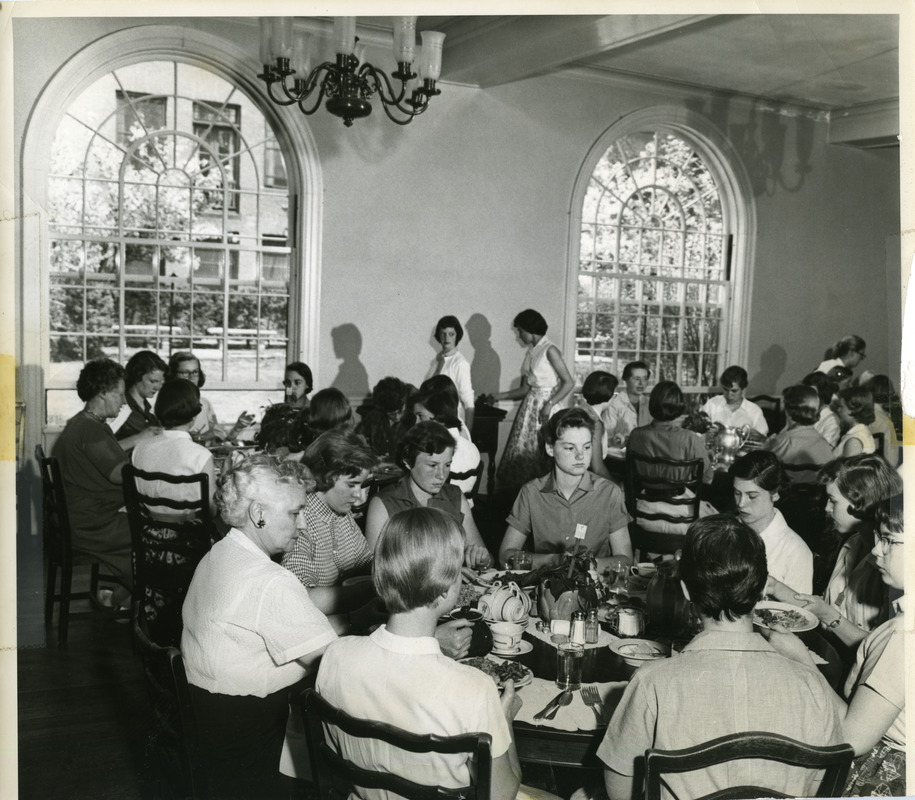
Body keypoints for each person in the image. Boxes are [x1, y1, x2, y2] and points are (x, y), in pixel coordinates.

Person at [588, 515, 844, 800]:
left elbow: (620, 790)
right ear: (761, 589)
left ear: (686, 590)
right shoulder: (813, 686)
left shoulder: (652, 683)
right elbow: (820, 785)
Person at [316, 507, 562, 800]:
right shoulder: (474, 689)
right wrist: (503, 717)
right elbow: (501, 794)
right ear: (445, 591)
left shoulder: (334, 656)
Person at [180, 454, 338, 799]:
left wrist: (354, 614)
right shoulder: (269, 581)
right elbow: (336, 662)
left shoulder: (220, 553)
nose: (304, 525)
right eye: (295, 513)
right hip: (254, 741)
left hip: (211, 721)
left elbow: (287, 619)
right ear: (259, 514)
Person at [764, 495, 905, 797]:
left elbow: (851, 738)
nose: (877, 551)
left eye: (890, 541)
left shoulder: (903, 634)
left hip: (882, 775)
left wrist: (802, 661)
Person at [767, 454, 901, 641]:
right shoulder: (851, 544)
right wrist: (774, 586)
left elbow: (879, 650)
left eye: (833, 500)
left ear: (860, 501)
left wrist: (829, 617)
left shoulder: (893, 566)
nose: (826, 508)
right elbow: (823, 607)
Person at [499, 408, 632, 570]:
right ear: (550, 448)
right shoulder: (531, 493)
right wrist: (552, 561)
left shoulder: (609, 493)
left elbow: (625, 560)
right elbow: (505, 557)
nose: (580, 456)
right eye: (570, 448)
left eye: (587, 447)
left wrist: (588, 565)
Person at [52, 358, 138, 608]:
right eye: (120, 395)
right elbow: (119, 474)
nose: (123, 402)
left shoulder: (82, 423)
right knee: (152, 535)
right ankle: (144, 601)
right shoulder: (90, 429)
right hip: (92, 525)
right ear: (103, 393)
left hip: (81, 519)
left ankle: (124, 599)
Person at [365, 421, 493, 570]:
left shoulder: (455, 497)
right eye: (432, 465)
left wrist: (482, 559)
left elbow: (488, 561)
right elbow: (374, 570)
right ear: (408, 463)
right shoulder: (383, 503)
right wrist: (447, 575)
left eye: (447, 465)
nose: (441, 475)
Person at [487, 309, 575, 494]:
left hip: (546, 408)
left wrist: (549, 405)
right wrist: (498, 396)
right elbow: (525, 390)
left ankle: (544, 499)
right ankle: (525, 500)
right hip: (530, 407)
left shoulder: (550, 350)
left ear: (529, 328)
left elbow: (569, 382)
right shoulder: (533, 352)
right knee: (523, 456)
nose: (518, 334)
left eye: (520, 330)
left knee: (542, 455)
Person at [131, 378, 216, 518]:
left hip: (148, 534)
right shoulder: (201, 455)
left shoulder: (139, 448)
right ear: (194, 414)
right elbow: (212, 511)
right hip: (189, 536)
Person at [730, 451, 812, 594]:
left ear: (775, 494)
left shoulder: (796, 552)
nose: (741, 504)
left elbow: (800, 613)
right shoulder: (725, 531)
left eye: (752, 496)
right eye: (737, 493)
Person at [167, 351, 254, 443]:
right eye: (185, 373)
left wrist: (237, 428)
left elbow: (219, 437)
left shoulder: (204, 404)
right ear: (173, 375)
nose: (191, 377)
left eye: (195, 372)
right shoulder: (165, 404)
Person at [412, 389, 482, 497]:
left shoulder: (438, 449)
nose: (416, 423)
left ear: (437, 414)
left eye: (420, 416)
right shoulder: (472, 447)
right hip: (467, 507)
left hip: (441, 507)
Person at [764, 385, 834, 483]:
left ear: (788, 409)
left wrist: (766, 446)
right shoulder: (824, 443)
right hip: (818, 496)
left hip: (786, 496)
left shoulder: (783, 441)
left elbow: (763, 467)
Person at [427, 314, 475, 429]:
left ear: (457, 336)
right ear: (438, 335)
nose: (447, 338)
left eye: (451, 334)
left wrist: (468, 436)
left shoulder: (460, 363)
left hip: (452, 422)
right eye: (443, 334)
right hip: (435, 419)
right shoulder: (437, 360)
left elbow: (469, 404)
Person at [113, 349, 167, 448]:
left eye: (161, 382)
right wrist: (137, 439)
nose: (158, 387)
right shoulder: (120, 408)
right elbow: (103, 451)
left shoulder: (149, 411)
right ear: (137, 376)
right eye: (152, 381)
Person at [700, 365, 768, 435]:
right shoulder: (712, 404)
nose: (729, 395)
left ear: (743, 388)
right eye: (725, 390)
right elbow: (699, 431)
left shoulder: (754, 411)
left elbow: (762, 438)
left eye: (734, 391)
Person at [354, 376, 409, 459]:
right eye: (391, 413)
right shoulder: (374, 416)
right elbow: (358, 437)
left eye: (400, 411)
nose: (397, 416)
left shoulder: (412, 419)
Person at [603, 360, 652, 446]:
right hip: (618, 455)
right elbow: (605, 438)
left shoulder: (649, 403)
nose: (641, 383)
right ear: (626, 379)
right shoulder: (614, 404)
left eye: (645, 379)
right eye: (637, 379)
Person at [579, 370, 618, 459]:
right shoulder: (595, 422)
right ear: (611, 396)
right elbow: (597, 466)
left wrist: (610, 441)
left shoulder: (581, 410)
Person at [833, 386, 876, 457]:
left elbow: (848, 468)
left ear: (853, 409)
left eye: (841, 406)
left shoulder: (854, 441)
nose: (838, 410)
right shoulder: (860, 431)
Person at [802, 371, 841, 447]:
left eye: (812, 393)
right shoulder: (803, 413)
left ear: (823, 395)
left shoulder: (831, 421)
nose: (806, 397)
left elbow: (823, 450)